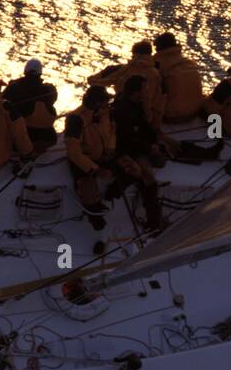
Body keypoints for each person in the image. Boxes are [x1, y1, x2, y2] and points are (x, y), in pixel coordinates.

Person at [109, 75, 164, 229]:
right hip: (126, 150)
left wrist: (153, 142)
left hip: (138, 145)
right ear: (136, 91)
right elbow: (128, 139)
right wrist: (148, 148)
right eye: (144, 89)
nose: (147, 92)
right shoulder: (122, 110)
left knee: (160, 158)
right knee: (148, 179)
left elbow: (144, 126)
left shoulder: (137, 104)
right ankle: (154, 222)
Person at [63, 86, 116, 230]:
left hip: (105, 155)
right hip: (85, 160)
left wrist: (111, 148)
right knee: (86, 184)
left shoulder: (106, 113)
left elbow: (113, 131)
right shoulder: (76, 119)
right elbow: (73, 152)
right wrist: (95, 170)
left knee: (131, 168)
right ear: (97, 103)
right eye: (104, 103)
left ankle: (112, 193)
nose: (107, 106)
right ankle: (95, 220)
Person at [87, 41, 166, 126]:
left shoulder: (125, 69)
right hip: (147, 117)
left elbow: (98, 81)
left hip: (124, 112)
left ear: (135, 55)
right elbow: (158, 98)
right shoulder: (156, 73)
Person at [3, 58, 59, 152]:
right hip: (49, 138)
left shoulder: (13, 89)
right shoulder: (49, 90)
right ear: (40, 73)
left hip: (26, 139)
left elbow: (2, 102)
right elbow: (51, 93)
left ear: (25, 71)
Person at [153, 33, 206, 122]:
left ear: (159, 47)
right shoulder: (189, 62)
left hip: (172, 115)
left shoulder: (157, 65)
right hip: (195, 111)